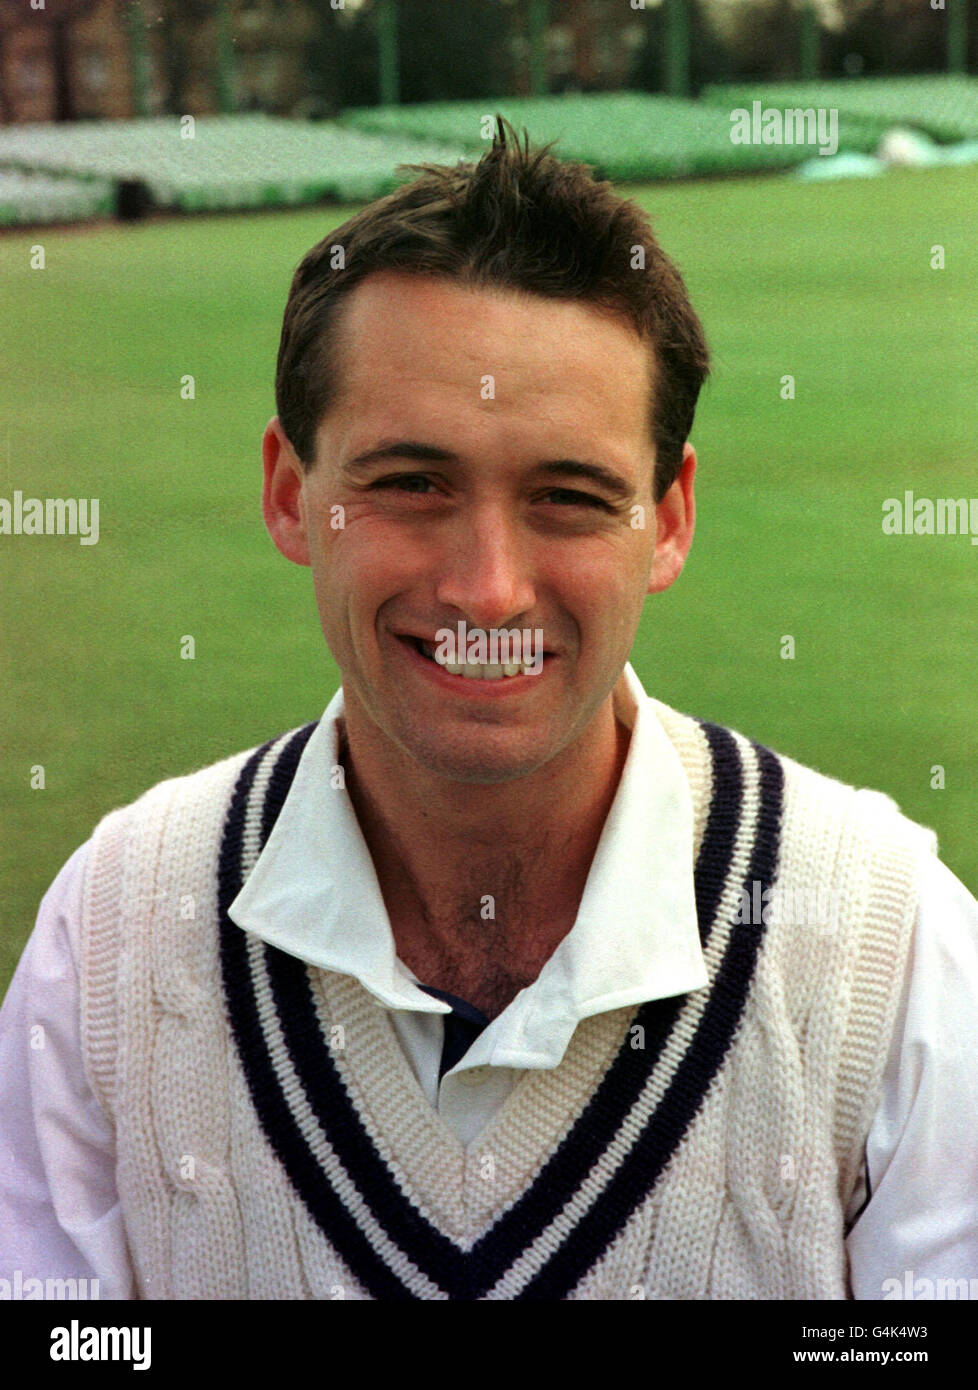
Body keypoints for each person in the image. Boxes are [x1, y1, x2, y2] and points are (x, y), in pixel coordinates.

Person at [1, 122, 976, 1302]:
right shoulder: (107, 937)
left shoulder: (891, 941)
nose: (487, 589)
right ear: (289, 492)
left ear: (667, 521)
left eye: (569, 496)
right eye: (412, 482)